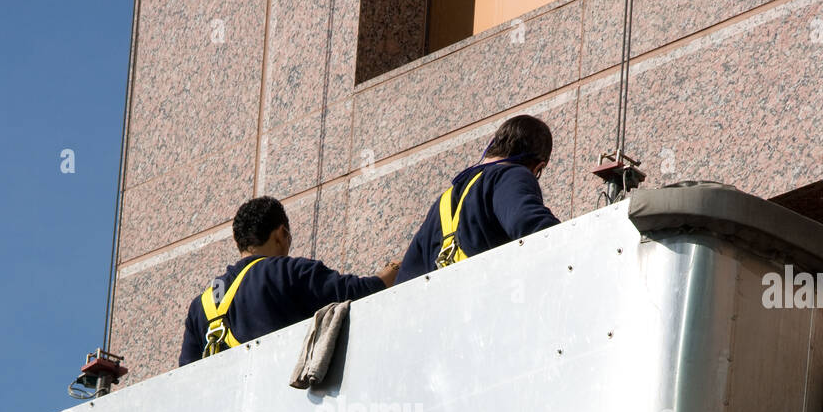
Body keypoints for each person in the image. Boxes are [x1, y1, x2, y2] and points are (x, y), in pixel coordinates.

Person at [178, 196, 399, 366]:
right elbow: (360, 293)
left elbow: (187, 377)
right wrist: (393, 270)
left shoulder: (201, 307)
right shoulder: (287, 272)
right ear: (280, 234)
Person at [396, 114, 560, 285]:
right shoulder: (510, 175)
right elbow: (532, 226)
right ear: (538, 167)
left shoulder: (441, 204)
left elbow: (404, 281)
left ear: (492, 145)